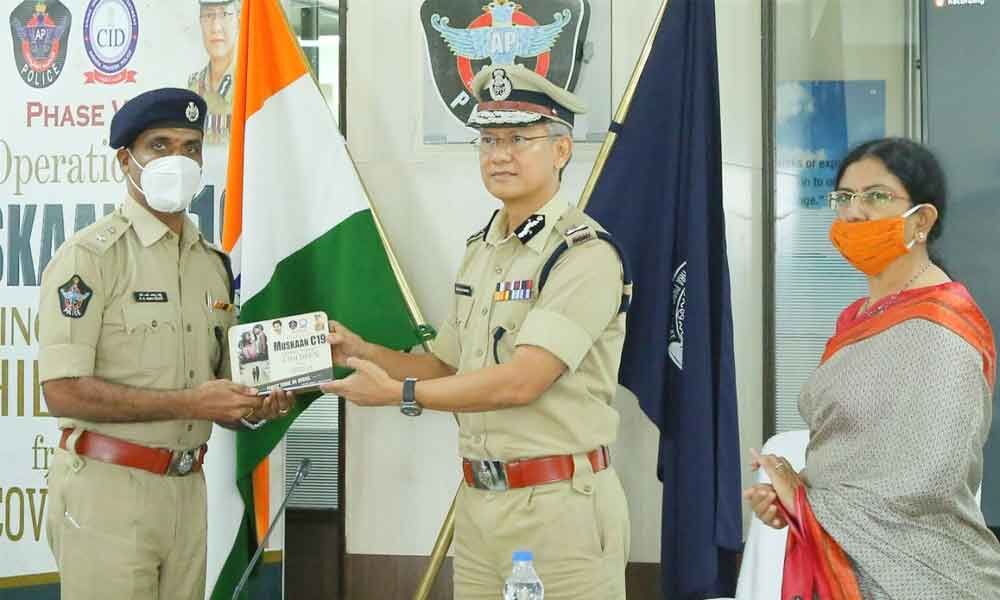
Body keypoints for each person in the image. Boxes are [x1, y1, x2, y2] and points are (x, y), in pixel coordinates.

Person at [322, 64, 631, 599]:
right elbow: (447, 365)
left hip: (559, 510)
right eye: (487, 138)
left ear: (561, 151)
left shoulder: (583, 255)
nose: (499, 154)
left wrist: (400, 394)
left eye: (518, 138)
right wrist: (362, 351)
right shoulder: (481, 250)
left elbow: (521, 381)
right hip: (480, 505)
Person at [37, 87, 295, 600]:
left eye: (191, 147)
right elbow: (62, 392)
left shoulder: (211, 264)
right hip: (108, 490)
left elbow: (217, 390)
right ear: (125, 160)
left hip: (186, 490)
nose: (178, 160)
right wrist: (191, 402)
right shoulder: (90, 259)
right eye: (159, 145)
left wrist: (252, 406)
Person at [745, 137, 1000, 598]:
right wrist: (795, 493)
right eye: (844, 197)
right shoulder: (857, 317)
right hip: (837, 566)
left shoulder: (945, 328)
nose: (854, 212)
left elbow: (930, 480)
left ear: (921, 219)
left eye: (876, 196)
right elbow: (859, 452)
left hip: (921, 577)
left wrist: (808, 503)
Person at [187, 0, 239, 144]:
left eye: (224, 14)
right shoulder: (193, 88)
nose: (216, 27)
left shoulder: (251, 86)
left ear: (239, 19)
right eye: (208, 15)